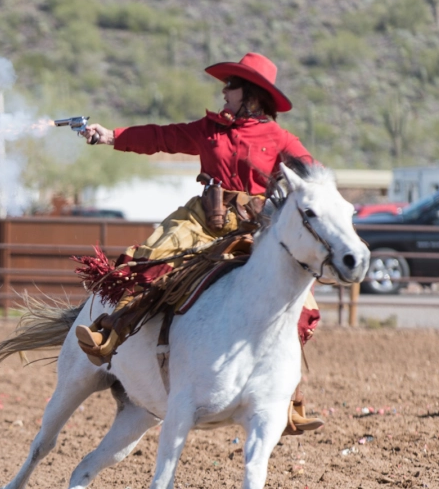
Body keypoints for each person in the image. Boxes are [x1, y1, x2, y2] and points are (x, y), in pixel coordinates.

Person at [74, 52, 324, 435]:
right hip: (203, 219)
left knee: (300, 305)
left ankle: (286, 396)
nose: (224, 91)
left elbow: (312, 176)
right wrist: (112, 136)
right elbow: (162, 136)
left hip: (257, 229)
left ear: (251, 94)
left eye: (232, 85)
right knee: (152, 262)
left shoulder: (281, 139)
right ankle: (111, 332)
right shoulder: (209, 130)